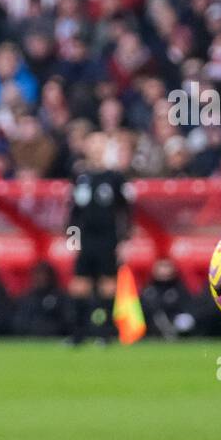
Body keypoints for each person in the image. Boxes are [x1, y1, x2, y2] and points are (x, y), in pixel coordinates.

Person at [66, 132, 132, 344]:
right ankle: (79, 333)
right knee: (80, 284)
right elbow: (73, 212)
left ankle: (105, 333)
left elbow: (126, 211)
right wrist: (71, 239)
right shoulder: (80, 176)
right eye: (92, 144)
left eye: (100, 144)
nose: (95, 148)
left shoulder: (115, 177)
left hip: (107, 238)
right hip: (85, 238)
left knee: (107, 284)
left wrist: (124, 240)